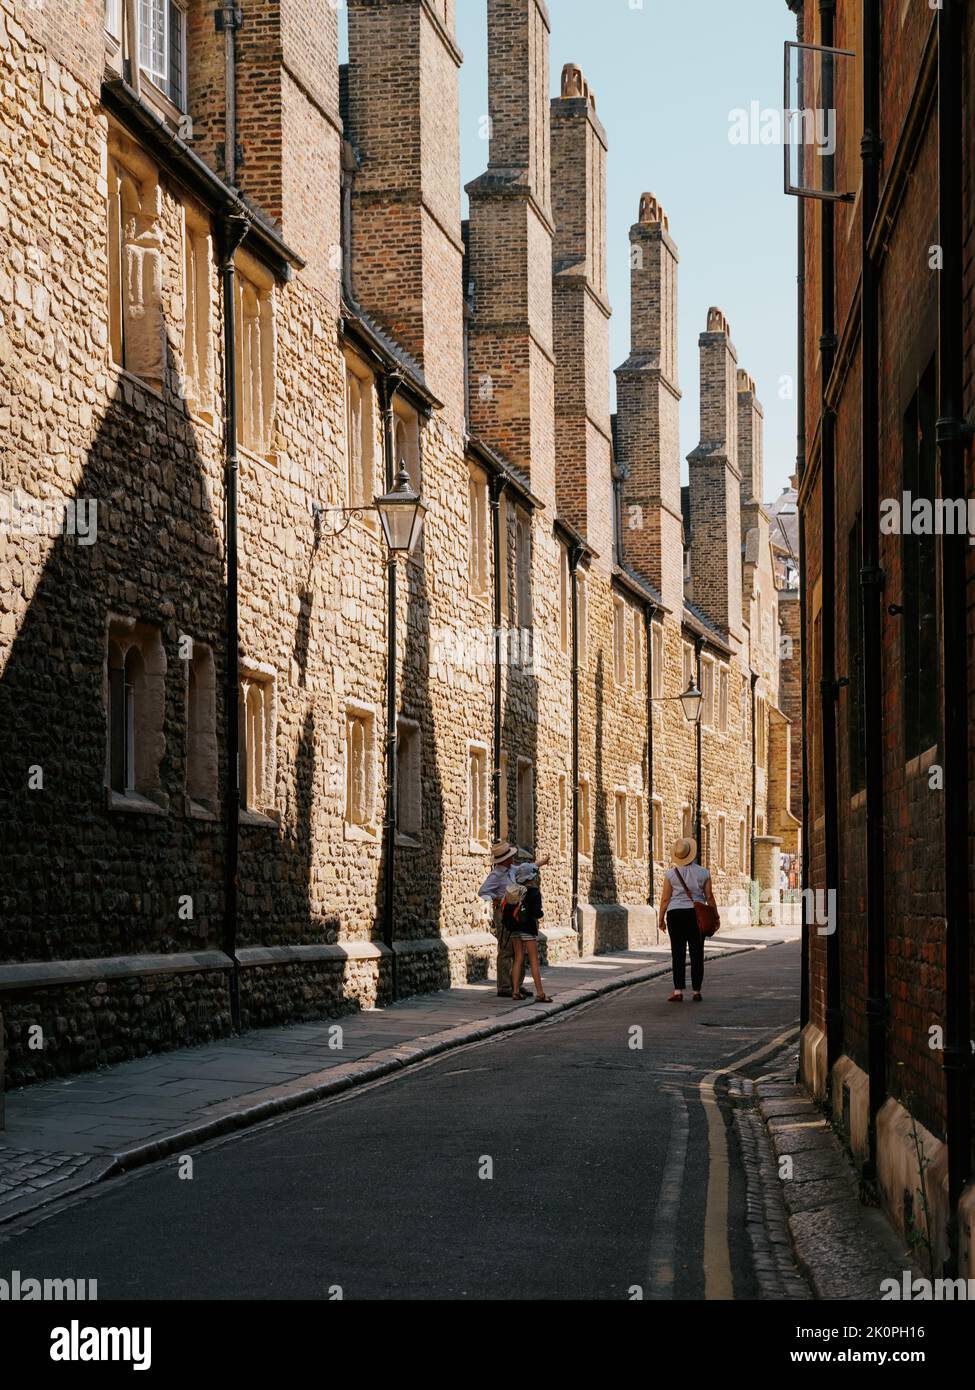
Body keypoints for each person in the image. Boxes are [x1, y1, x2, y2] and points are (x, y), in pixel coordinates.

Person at [478, 841, 549, 997]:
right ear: (503, 859)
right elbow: (482, 891)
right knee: (505, 949)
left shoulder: (512, 869)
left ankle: (517, 984)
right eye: (510, 856)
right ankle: (504, 986)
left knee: (519, 951)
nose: (513, 858)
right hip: (504, 912)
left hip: (515, 912)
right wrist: (495, 897)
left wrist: (541, 863)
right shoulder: (496, 875)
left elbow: (527, 869)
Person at [657, 836, 715, 1003]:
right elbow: (709, 897)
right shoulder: (704, 873)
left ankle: (678, 991)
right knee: (697, 952)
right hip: (695, 914)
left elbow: (665, 899)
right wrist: (714, 914)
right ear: (692, 854)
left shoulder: (670, 874)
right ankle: (696, 991)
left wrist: (661, 918)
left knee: (678, 952)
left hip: (675, 914)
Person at [503, 864, 553, 1004]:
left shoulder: (515, 890)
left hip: (514, 929)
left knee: (518, 959)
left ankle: (515, 991)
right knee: (533, 961)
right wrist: (541, 913)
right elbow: (536, 913)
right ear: (531, 877)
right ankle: (541, 993)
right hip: (527, 929)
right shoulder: (534, 892)